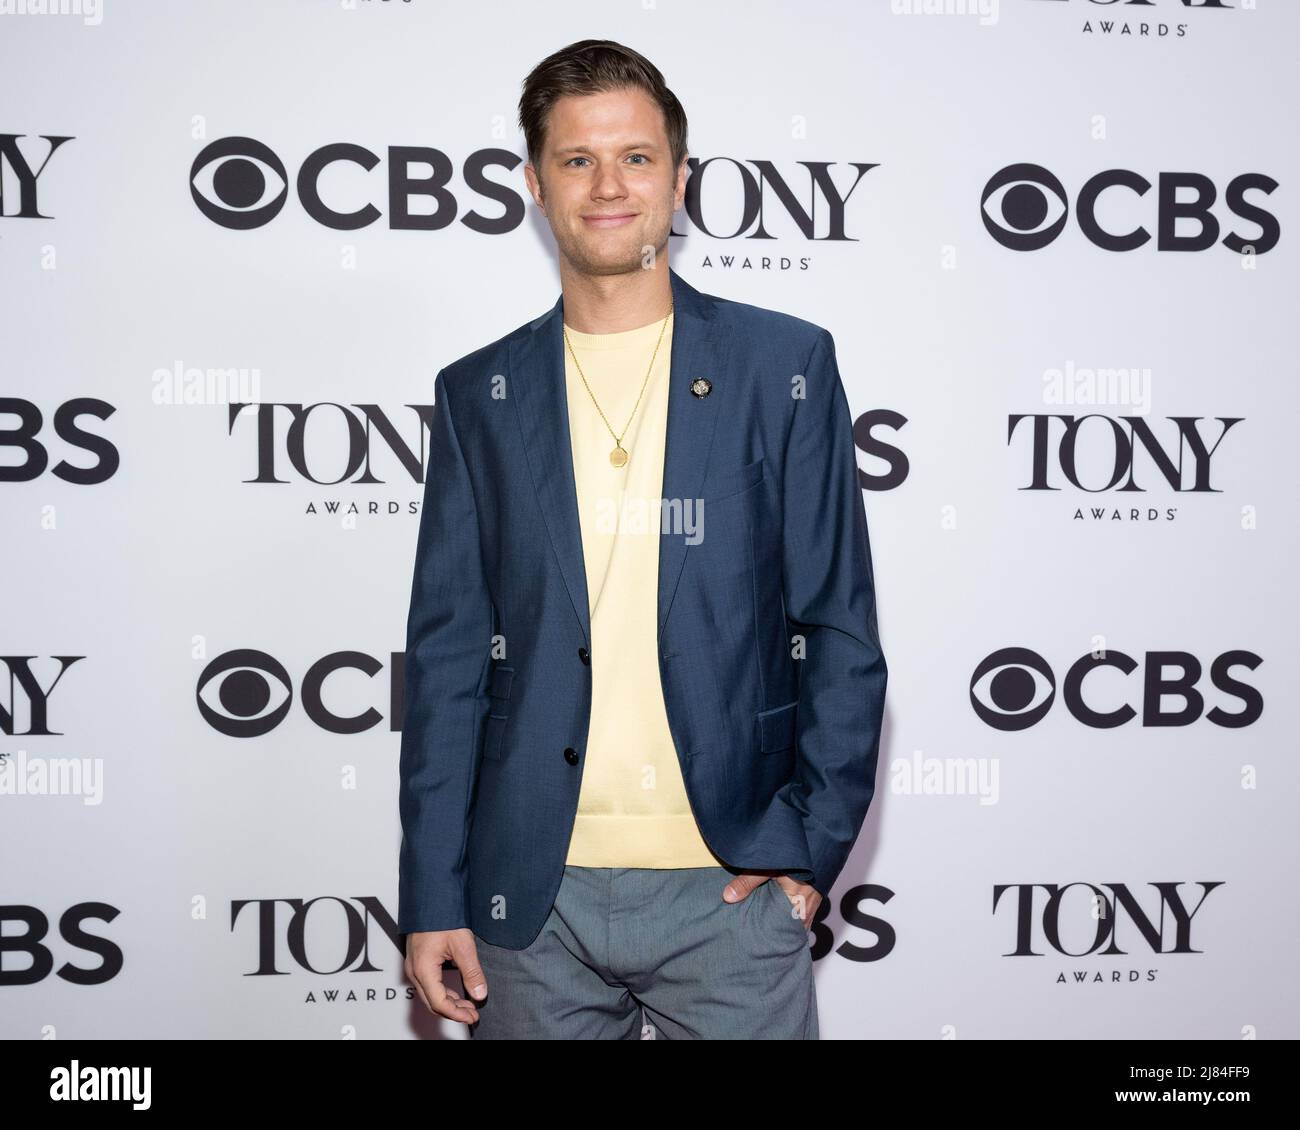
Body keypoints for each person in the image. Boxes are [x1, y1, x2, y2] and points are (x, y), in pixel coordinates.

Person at [399, 38, 887, 1040]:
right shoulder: (478, 393)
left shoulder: (782, 364)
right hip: (530, 900)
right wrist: (432, 892)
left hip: (729, 891)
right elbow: (449, 659)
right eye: (577, 159)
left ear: (680, 179)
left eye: (636, 157)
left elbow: (837, 623)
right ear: (535, 183)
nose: (608, 184)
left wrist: (808, 843)